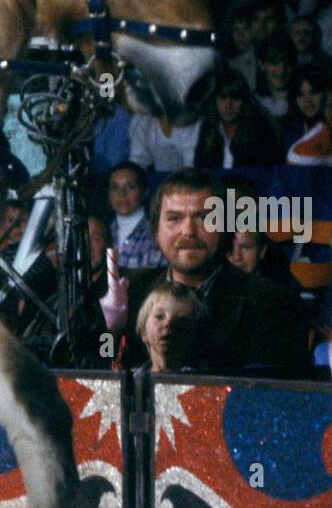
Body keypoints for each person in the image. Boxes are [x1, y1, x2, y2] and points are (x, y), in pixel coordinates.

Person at [114, 168, 310, 377]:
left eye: (204, 218)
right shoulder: (127, 291)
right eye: (174, 218)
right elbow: (97, 357)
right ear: (155, 230)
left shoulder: (274, 303)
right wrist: (109, 332)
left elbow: (276, 396)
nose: (188, 230)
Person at [193, 68, 284, 168]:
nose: (228, 105)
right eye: (222, 97)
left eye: (235, 98)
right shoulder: (208, 130)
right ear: (214, 101)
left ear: (244, 101)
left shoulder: (261, 131)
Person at [135, 281, 209, 373]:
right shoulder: (131, 380)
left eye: (182, 320)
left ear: (195, 332)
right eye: (159, 316)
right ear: (144, 331)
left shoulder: (206, 382)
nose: (168, 324)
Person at [106, 161, 164, 269]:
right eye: (115, 188)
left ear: (145, 191)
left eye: (130, 187)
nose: (122, 194)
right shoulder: (103, 232)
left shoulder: (158, 233)